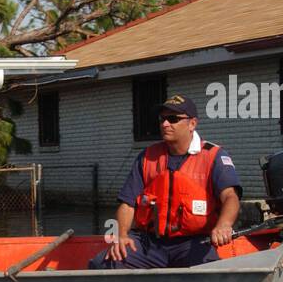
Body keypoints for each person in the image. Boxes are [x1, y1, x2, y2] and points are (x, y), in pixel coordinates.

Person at [89, 94, 241, 270]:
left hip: (195, 242)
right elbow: (127, 203)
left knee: (207, 274)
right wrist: (122, 235)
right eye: (162, 119)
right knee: (101, 264)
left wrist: (224, 225)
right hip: (149, 243)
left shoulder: (214, 156)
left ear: (192, 124)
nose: (165, 124)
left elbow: (230, 196)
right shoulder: (147, 157)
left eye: (173, 119)